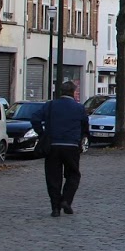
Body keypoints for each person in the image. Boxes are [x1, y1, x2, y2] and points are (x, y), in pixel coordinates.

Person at [33, 79, 90, 217]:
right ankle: (66, 200)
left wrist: (42, 133)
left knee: (53, 178)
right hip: (71, 146)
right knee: (73, 174)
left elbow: (35, 118)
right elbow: (85, 125)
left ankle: (55, 208)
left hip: (53, 145)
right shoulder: (79, 108)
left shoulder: (51, 105)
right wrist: (81, 138)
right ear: (73, 92)